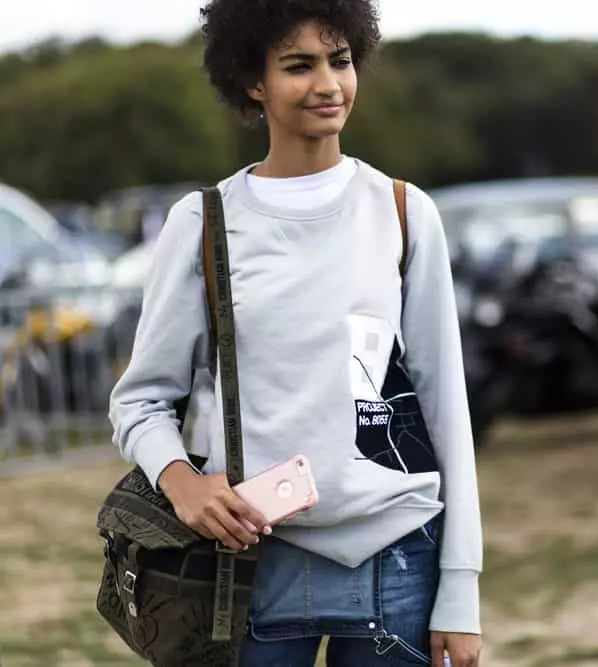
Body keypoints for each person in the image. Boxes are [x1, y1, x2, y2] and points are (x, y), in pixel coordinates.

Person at [107, 1, 484, 665]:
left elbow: (445, 407)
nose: (328, 84)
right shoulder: (202, 223)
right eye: (299, 66)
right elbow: (140, 399)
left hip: (399, 563)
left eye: (339, 61)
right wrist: (181, 480)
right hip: (252, 571)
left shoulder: (403, 211)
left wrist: (460, 588)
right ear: (254, 80)